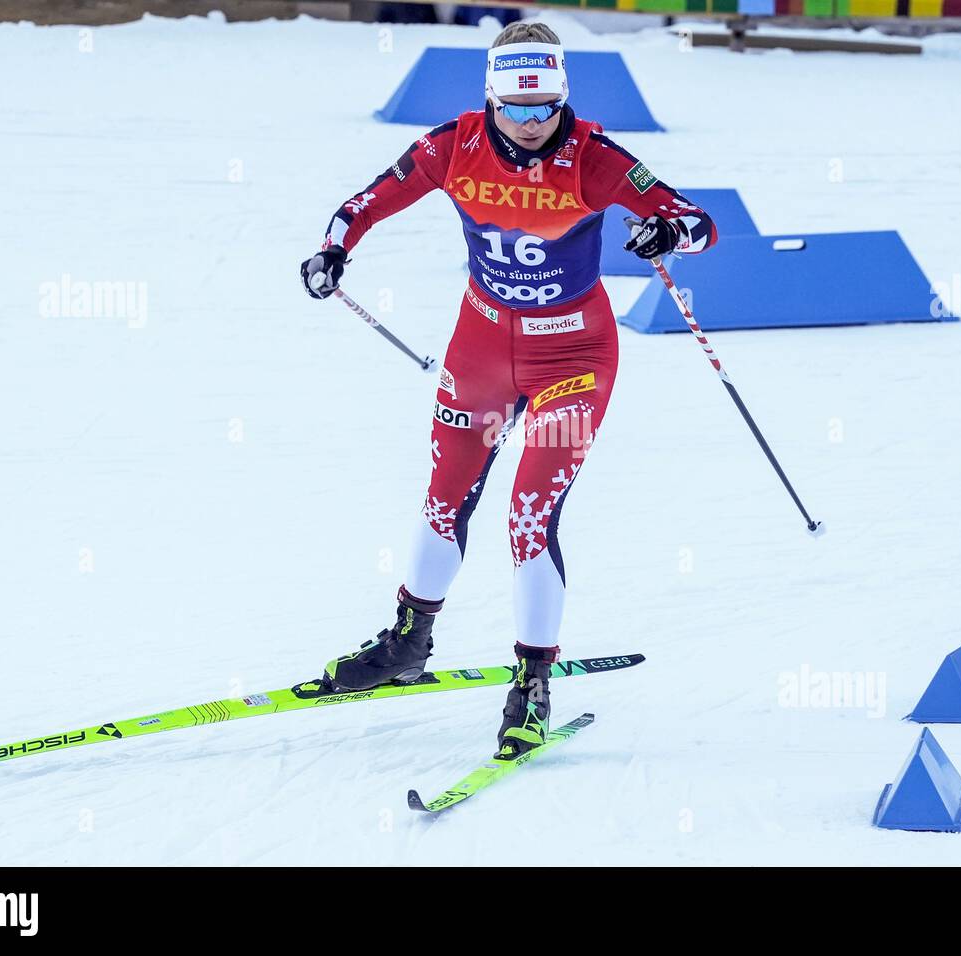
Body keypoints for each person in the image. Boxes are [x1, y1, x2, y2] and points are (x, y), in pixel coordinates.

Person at [301, 21, 717, 759]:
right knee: (442, 497)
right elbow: (365, 201)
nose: (534, 125)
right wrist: (333, 249)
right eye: (518, 109)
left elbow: (696, 221)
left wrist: (667, 236)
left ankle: (532, 683)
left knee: (529, 516)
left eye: (548, 107)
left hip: (575, 362)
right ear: (491, 97)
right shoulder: (450, 146)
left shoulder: (591, 155)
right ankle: (407, 640)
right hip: (482, 348)